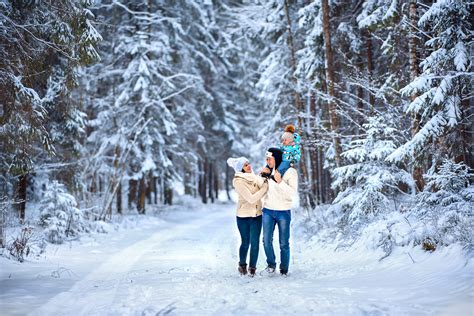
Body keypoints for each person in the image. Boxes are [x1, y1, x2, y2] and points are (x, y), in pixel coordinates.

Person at [227, 157, 268, 277]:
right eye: (245, 165)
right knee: (245, 242)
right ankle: (242, 265)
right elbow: (251, 198)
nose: (249, 166)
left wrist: (263, 179)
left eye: (248, 164)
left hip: (256, 215)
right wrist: (264, 188)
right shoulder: (238, 181)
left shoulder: (254, 177)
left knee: (255, 243)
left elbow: (262, 183)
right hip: (243, 217)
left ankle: (252, 268)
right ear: (241, 169)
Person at [259, 148, 298, 276]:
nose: (267, 161)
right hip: (268, 211)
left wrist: (280, 181)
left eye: (269, 158)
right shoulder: (267, 171)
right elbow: (260, 188)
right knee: (266, 241)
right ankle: (271, 265)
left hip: (283, 212)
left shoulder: (290, 172)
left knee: (283, 243)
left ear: (276, 158)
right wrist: (261, 176)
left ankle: (284, 269)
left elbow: (292, 192)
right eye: (266, 159)